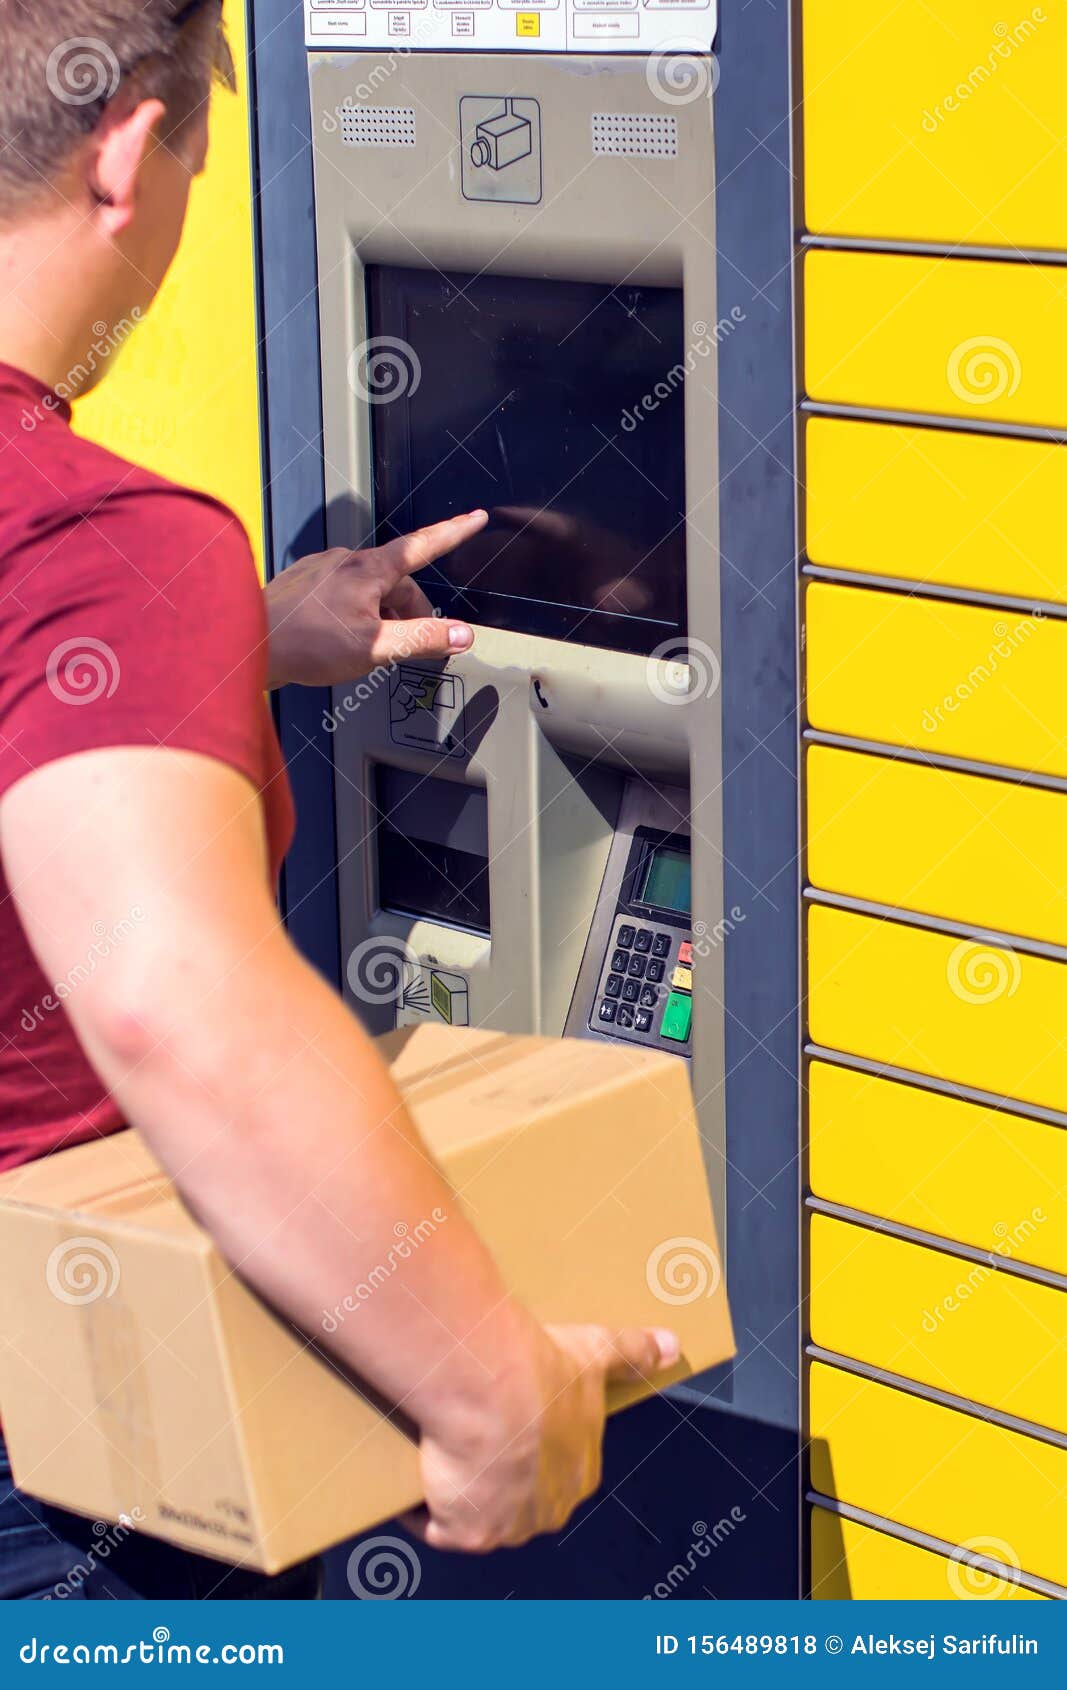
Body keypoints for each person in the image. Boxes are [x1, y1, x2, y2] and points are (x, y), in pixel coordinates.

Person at [0, 0, 678, 1600]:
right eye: (199, 160)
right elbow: (180, 1008)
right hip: (68, 1441)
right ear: (126, 157)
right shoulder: (97, 548)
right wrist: (492, 1385)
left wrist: (207, 661)